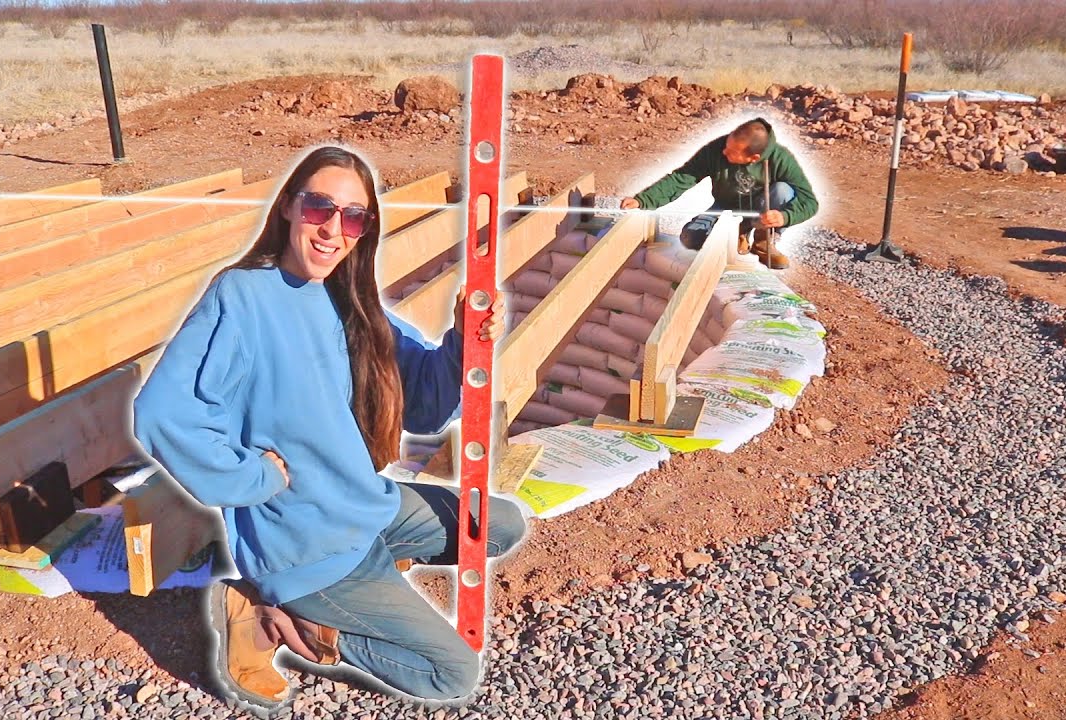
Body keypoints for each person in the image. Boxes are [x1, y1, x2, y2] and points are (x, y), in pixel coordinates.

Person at [132, 145, 527, 706]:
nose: (332, 229)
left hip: (363, 507)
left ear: (364, 230)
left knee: (501, 524)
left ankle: (369, 577)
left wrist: (464, 339)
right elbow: (163, 413)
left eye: (353, 217)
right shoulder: (242, 296)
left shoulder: (353, 303)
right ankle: (286, 619)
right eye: (319, 208)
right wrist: (254, 480)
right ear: (290, 208)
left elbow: (425, 404)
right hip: (304, 545)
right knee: (452, 675)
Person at [620, 117, 818, 269]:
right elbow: (683, 177)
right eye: (727, 145)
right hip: (726, 207)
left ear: (753, 158)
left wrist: (784, 217)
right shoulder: (717, 149)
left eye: (732, 152)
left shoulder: (780, 158)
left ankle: (763, 240)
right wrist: (643, 200)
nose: (724, 152)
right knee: (691, 239)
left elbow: (810, 202)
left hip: (760, 211)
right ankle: (736, 234)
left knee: (783, 191)